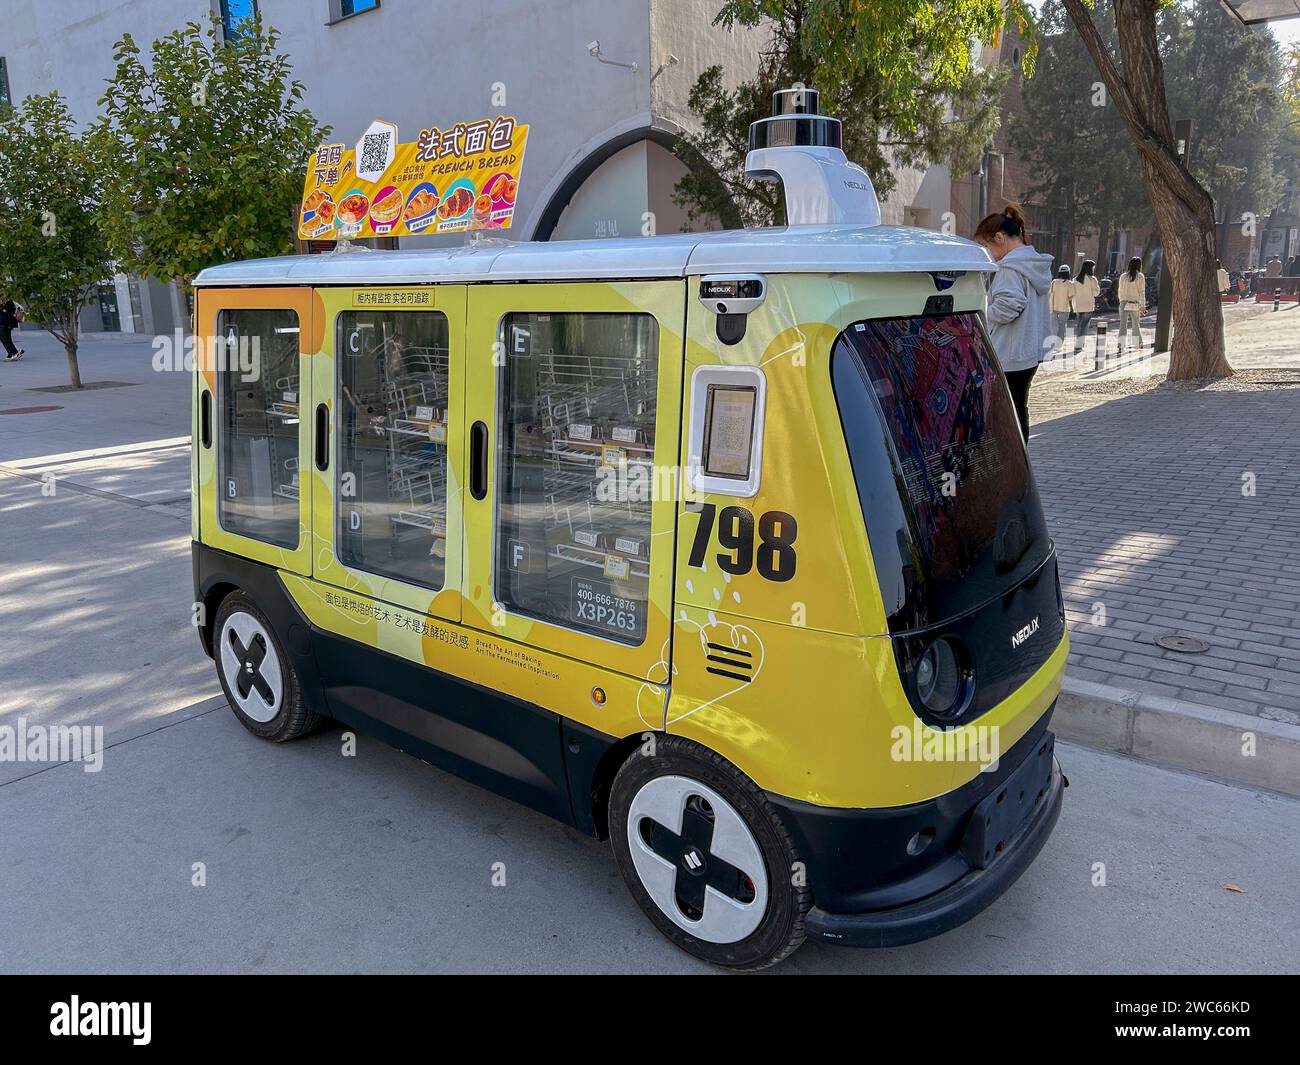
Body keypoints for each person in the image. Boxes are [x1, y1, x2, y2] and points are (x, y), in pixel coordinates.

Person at [972, 203, 1052, 441]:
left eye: (986, 245)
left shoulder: (1010, 268)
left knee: (1006, 413)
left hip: (1010, 352)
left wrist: (982, 311)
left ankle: (1013, 463)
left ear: (999, 238)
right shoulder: (1033, 264)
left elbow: (1008, 307)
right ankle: (1021, 459)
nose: (986, 252)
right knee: (1018, 407)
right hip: (1029, 351)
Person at [1116, 257, 1146, 351]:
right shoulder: (1140, 276)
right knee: (1135, 324)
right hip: (1135, 303)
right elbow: (1141, 292)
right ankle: (1138, 343)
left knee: (1123, 324)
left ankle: (1121, 345)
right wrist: (1143, 306)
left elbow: (1119, 290)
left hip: (1124, 302)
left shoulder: (1123, 276)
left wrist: (1121, 301)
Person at [1073, 259, 1101, 350]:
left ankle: (1079, 343)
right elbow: (1096, 293)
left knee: (1079, 324)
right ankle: (1079, 344)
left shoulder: (1075, 279)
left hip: (1077, 305)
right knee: (1084, 325)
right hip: (1088, 305)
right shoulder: (1092, 279)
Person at [1048, 264, 1075, 354]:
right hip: (1064, 307)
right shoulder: (1070, 283)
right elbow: (1070, 296)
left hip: (1053, 307)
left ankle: (1052, 344)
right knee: (1062, 327)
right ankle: (1058, 346)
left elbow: (1050, 293)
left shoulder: (1054, 282)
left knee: (1053, 326)